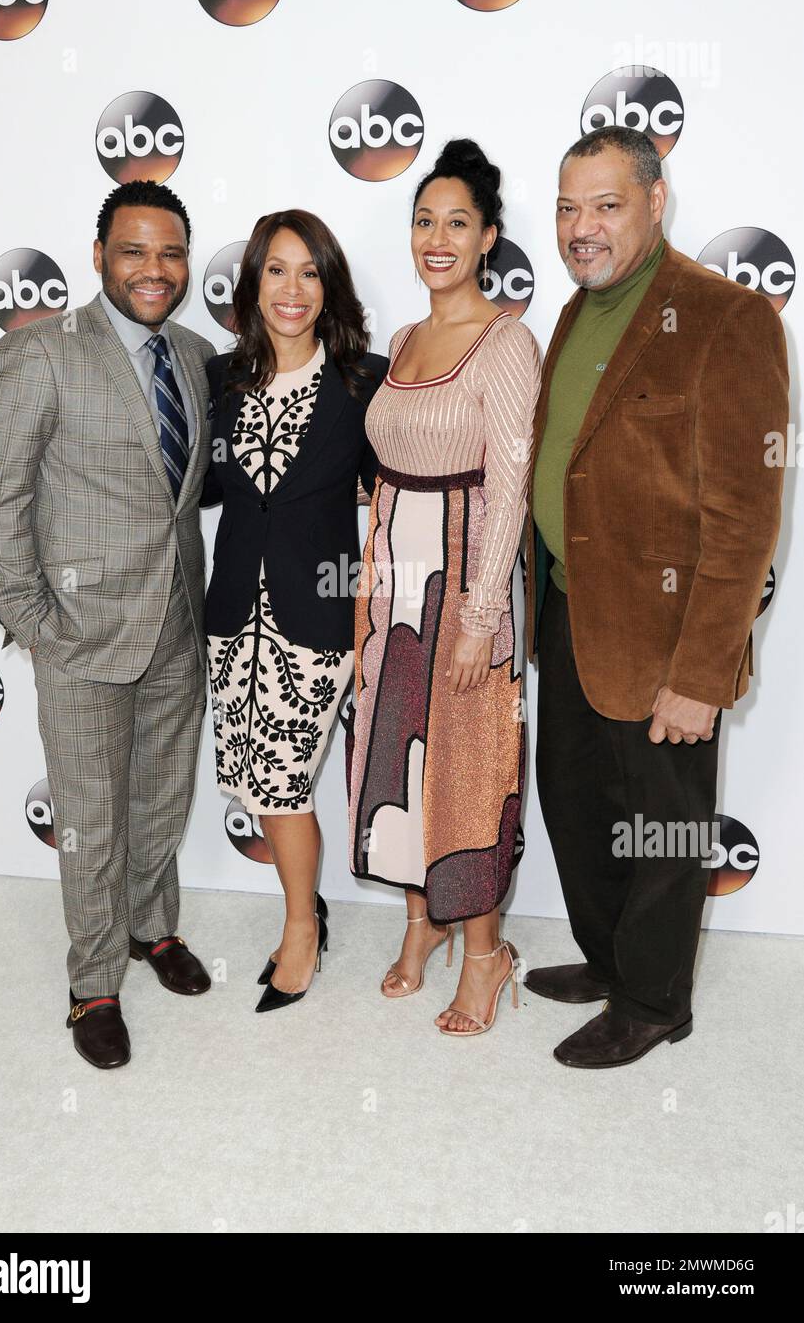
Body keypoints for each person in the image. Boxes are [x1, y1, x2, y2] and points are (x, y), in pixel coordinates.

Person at [524, 125, 789, 1067]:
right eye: (566, 207)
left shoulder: (727, 319)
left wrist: (700, 672)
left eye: (605, 205)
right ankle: (608, 960)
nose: (581, 228)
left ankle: (653, 1001)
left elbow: (745, 519)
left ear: (655, 201)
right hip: (566, 612)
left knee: (665, 825)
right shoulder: (572, 312)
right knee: (575, 802)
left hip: (668, 635)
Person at [0, 180, 216, 1070]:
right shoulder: (42, 356)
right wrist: (31, 617)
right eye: (135, 250)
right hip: (79, 631)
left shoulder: (191, 355)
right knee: (89, 815)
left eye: (171, 252)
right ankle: (93, 984)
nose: (155, 269)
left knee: (160, 797)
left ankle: (153, 930)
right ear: (100, 254)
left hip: (178, 624)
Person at [347, 139, 541, 1036]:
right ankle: (420, 924)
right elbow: (382, 468)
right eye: (423, 219)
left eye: (456, 223)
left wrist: (478, 618)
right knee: (396, 754)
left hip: (465, 586)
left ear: (488, 239)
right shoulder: (402, 339)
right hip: (392, 587)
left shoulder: (505, 343)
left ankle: (485, 954)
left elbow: (510, 485)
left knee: (470, 769)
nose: (435, 237)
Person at [202, 209, 387, 1013]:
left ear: (328, 286)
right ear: (252, 282)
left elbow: (391, 496)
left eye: (308, 271)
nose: (291, 288)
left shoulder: (363, 381)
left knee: (282, 783)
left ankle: (300, 932)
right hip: (231, 606)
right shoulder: (220, 379)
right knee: (253, 781)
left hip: (314, 617)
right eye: (275, 270)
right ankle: (303, 910)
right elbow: (197, 487)